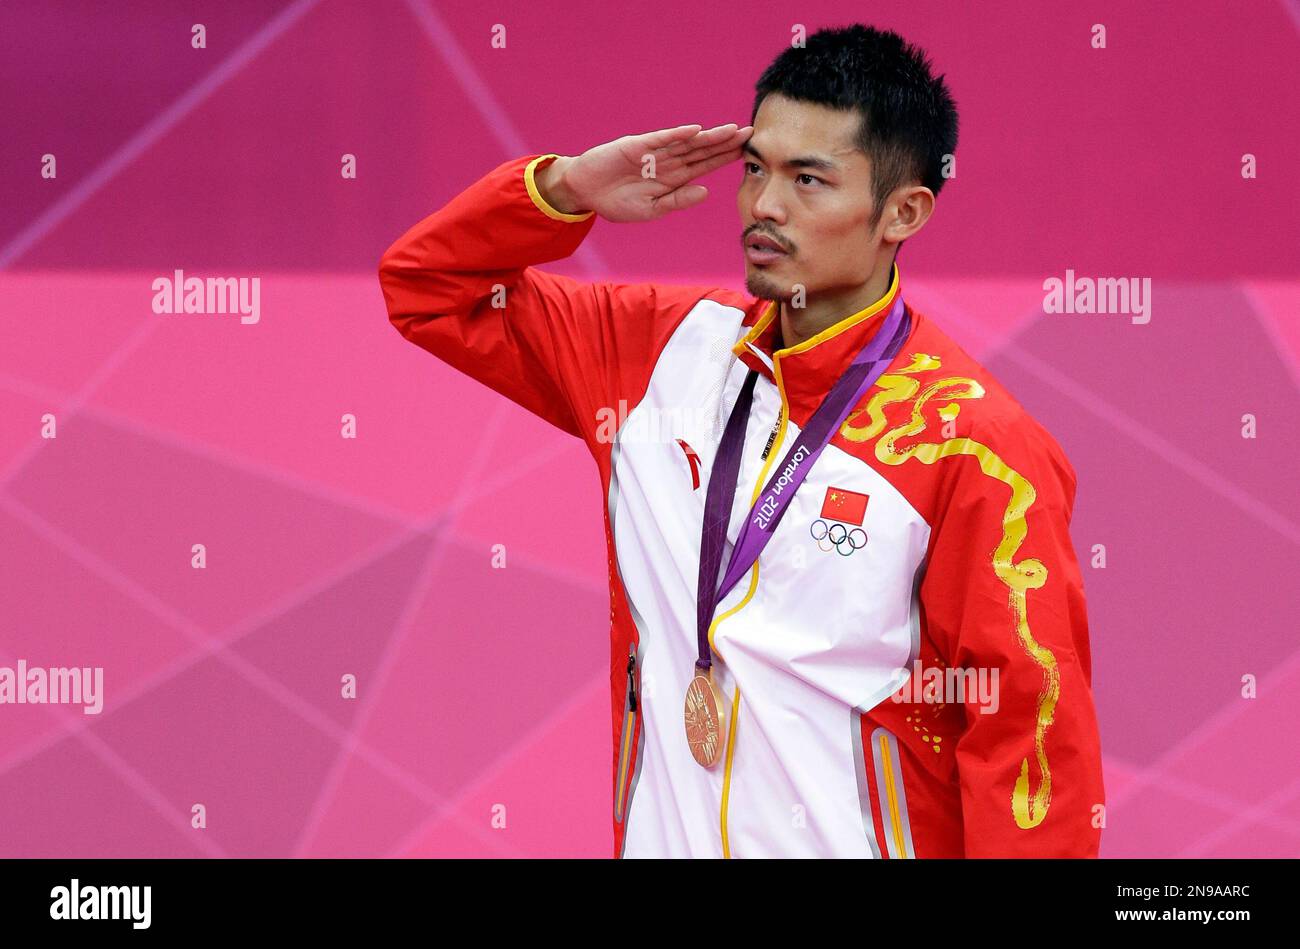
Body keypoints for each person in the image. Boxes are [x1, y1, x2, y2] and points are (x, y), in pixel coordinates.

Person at [378, 23, 1104, 858]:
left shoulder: (977, 449)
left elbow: (1032, 745)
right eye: (755, 167)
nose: (763, 204)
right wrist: (567, 188)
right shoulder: (653, 353)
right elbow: (427, 288)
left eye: (809, 180)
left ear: (902, 211)